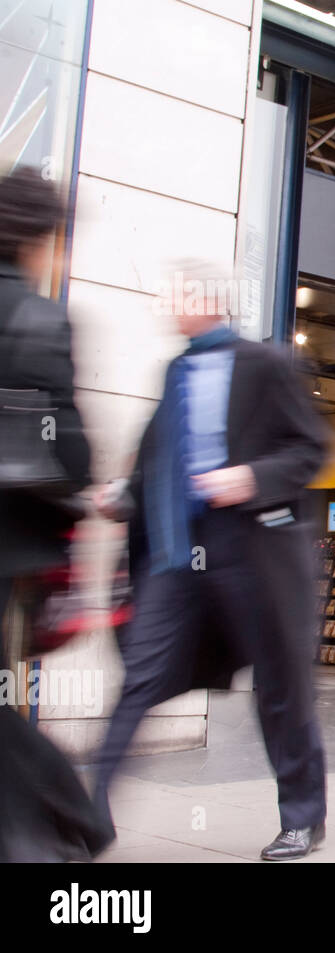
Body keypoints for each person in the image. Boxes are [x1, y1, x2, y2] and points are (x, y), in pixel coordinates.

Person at [93, 260, 331, 861]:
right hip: (178, 557)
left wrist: (251, 477)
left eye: (181, 294)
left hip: (252, 551)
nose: (171, 303)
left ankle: (303, 819)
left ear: (212, 301)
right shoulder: (173, 370)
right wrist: (121, 497)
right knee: (139, 680)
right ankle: (87, 816)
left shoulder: (266, 364)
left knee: (280, 688)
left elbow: (312, 447)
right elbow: (155, 465)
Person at [0, 168, 113, 862]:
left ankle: (47, 823)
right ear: (38, 239)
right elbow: (71, 452)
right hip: (14, 545)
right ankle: (63, 814)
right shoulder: (40, 319)